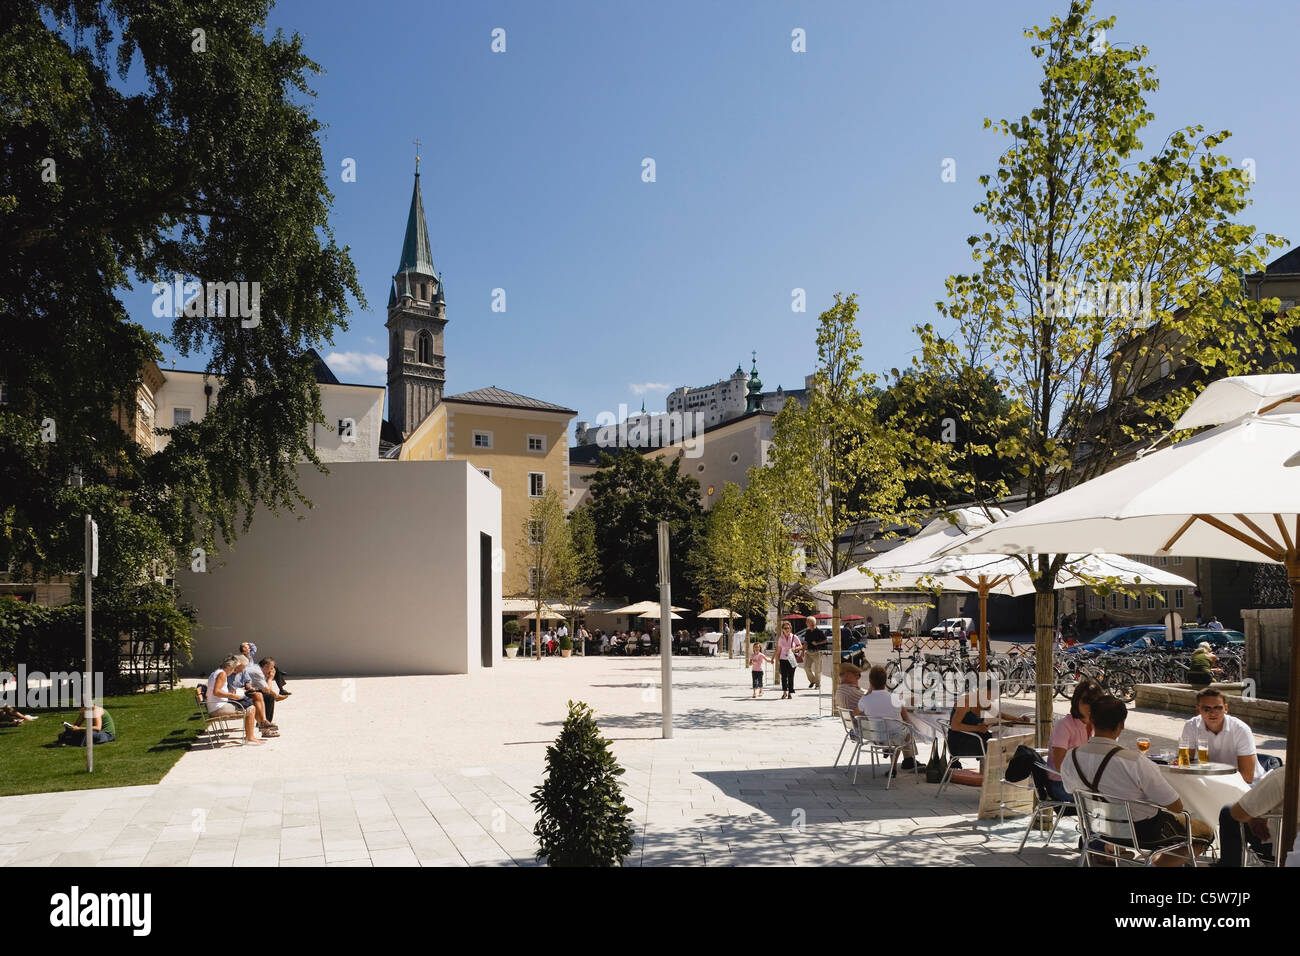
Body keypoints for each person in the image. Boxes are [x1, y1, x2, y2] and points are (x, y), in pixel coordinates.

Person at [1059, 695, 1212, 866]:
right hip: (1140, 833)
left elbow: (1069, 790)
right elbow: (1175, 806)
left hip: (1097, 827)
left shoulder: (1070, 757)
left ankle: (1117, 851)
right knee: (1204, 834)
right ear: (1122, 724)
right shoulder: (1134, 762)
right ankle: (1156, 864)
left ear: (1091, 721)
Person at [1216, 766, 1293, 867]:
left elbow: (1238, 813)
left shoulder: (1285, 775)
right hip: (1290, 843)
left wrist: (1252, 817)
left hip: (1280, 846)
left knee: (1228, 813)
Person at [1182, 688, 1262, 782]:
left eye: (1218, 708)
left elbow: (1247, 777)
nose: (1212, 712)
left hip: (1245, 783)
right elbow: (1184, 764)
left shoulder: (1241, 729)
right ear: (1198, 710)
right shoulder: (1190, 726)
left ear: (1226, 708)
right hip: (1210, 779)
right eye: (1206, 709)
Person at [1047, 677, 1105, 801]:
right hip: (1061, 784)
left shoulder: (1098, 725)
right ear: (1076, 701)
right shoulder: (1064, 725)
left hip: (1086, 784)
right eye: (1086, 701)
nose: (1090, 706)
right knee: (1105, 802)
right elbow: (1059, 766)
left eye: (1095, 702)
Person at [857, 665, 919, 772]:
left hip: (874, 737)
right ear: (885, 681)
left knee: (893, 732)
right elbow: (906, 719)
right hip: (894, 737)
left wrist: (868, 693)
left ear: (870, 682)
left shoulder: (865, 699)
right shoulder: (895, 698)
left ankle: (888, 750)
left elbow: (855, 713)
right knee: (905, 730)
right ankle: (899, 763)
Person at [207, 655, 266, 743]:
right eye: (233, 669)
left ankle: (256, 730)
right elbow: (216, 692)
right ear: (230, 667)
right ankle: (250, 737)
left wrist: (233, 693)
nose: (233, 671)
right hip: (218, 708)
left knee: (247, 702)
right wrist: (233, 696)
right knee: (251, 708)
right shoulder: (222, 674)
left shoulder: (215, 673)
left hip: (214, 706)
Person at [228, 653, 278, 736]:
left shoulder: (242, 670)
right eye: (242, 667)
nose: (245, 669)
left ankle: (264, 722)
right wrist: (269, 678)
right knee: (266, 697)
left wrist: (248, 686)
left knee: (262, 695)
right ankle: (264, 727)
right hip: (233, 696)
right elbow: (229, 690)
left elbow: (247, 681)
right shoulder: (227, 674)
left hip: (243, 692)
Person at [776, 621, 802, 699]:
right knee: (784, 676)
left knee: (791, 676)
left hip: (791, 658)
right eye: (785, 628)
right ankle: (784, 692)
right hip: (783, 658)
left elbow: (800, 646)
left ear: (791, 628)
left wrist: (795, 648)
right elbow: (779, 649)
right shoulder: (781, 638)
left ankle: (790, 692)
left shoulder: (794, 637)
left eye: (789, 628)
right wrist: (777, 659)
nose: (787, 629)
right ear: (782, 629)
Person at [802, 615, 829, 687]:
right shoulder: (807, 632)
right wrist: (802, 652)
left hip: (817, 652)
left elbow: (826, 640)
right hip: (809, 652)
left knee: (817, 669)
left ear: (811, 623)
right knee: (806, 667)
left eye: (807, 622)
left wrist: (817, 643)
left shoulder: (819, 631)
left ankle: (817, 684)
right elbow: (805, 643)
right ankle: (813, 680)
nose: (806, 623)